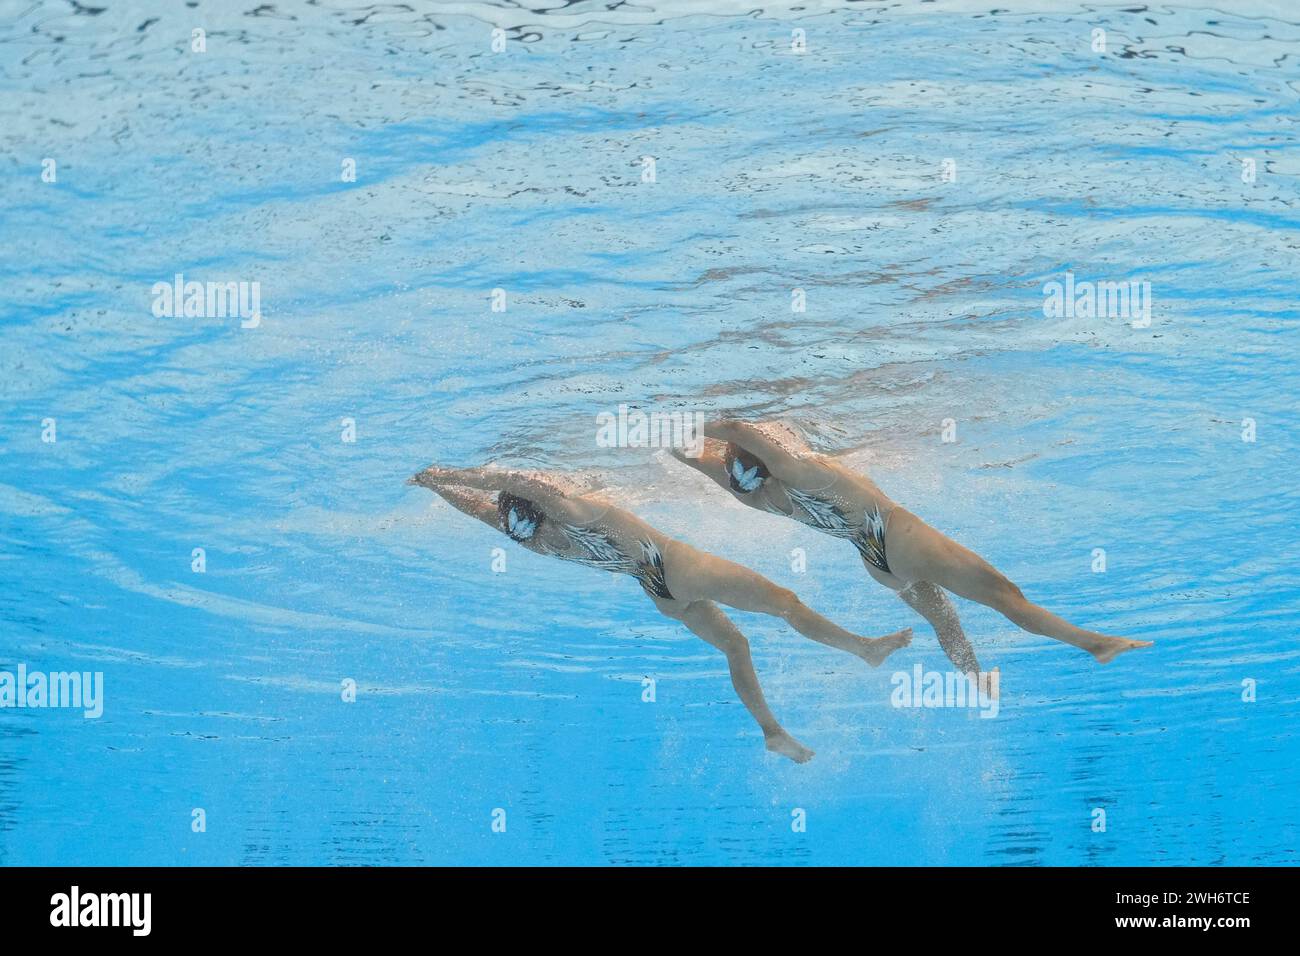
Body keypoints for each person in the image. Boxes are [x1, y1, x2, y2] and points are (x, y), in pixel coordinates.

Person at [409, 464, 913, 763]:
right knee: (785, 603)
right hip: (673, 567)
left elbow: (480, 506)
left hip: (655, 591)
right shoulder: (572, 512)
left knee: (736, 645)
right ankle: (863, 648)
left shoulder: (536, 538)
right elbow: (513, 481)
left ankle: (772, 732)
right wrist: (448, 476)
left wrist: (436, 483)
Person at [670, 420, 1152, 670]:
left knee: (946, 620)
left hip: (876, 561)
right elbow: (735, 431)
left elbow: (686, 448)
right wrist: (719, 424)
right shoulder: (800, 470)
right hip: (896, 536)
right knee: (1006, 595)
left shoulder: (753, 493)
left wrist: (666, 420)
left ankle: (973, 677)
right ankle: (1095, 644)